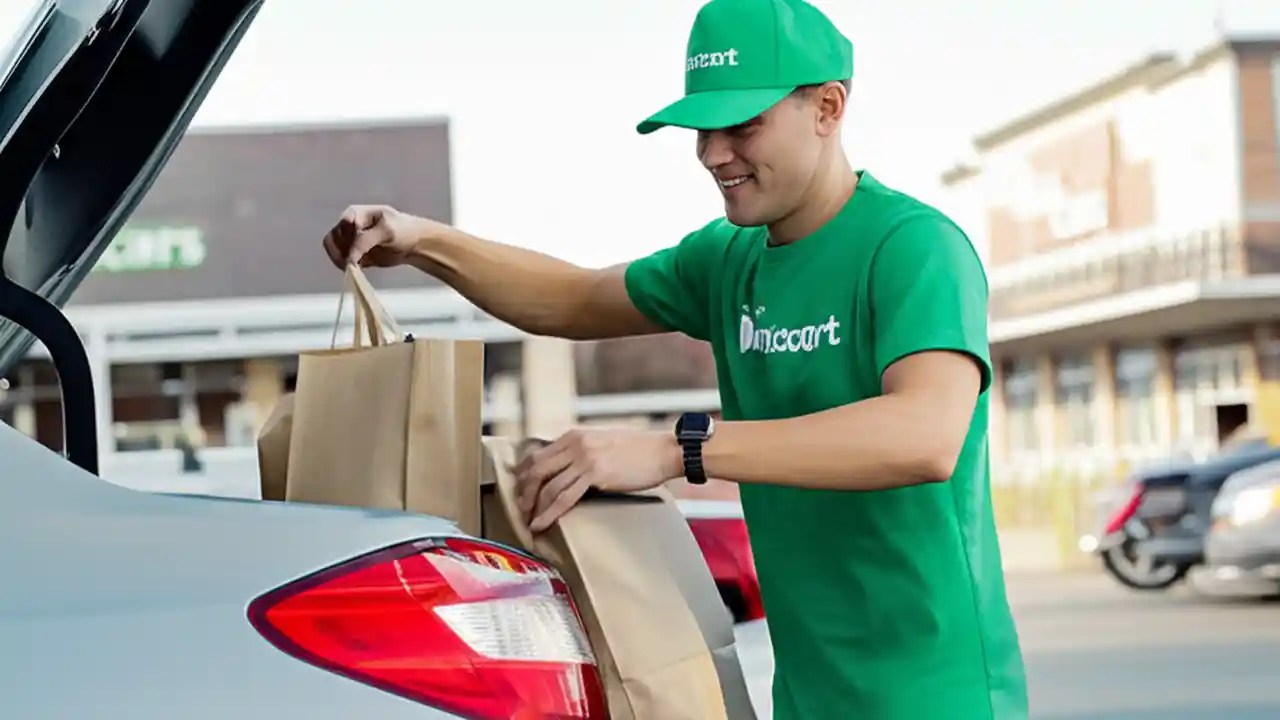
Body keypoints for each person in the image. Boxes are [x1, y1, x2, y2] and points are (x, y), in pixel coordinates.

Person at [322, 0, 1029, 716]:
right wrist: (422, 242)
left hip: (941, 698)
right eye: (702, 129)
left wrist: (677, 449)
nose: (714, 153)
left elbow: (924, 436)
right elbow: (570, 298)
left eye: (742, 125)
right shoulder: (728, 261)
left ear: (828, 106)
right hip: (808, 699)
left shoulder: (914, 248)